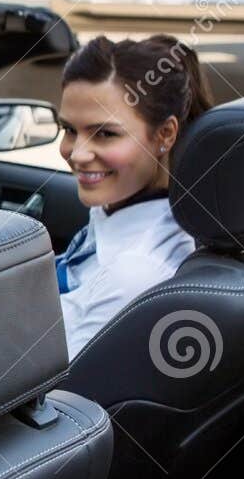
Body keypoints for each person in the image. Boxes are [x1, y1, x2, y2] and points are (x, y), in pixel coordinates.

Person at [55, 34, 216, 358]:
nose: (78, 154)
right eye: (70, 129)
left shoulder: (132, 272)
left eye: (106, 134)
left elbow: (54, 401)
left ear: (164, 135)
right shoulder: (118, 213)